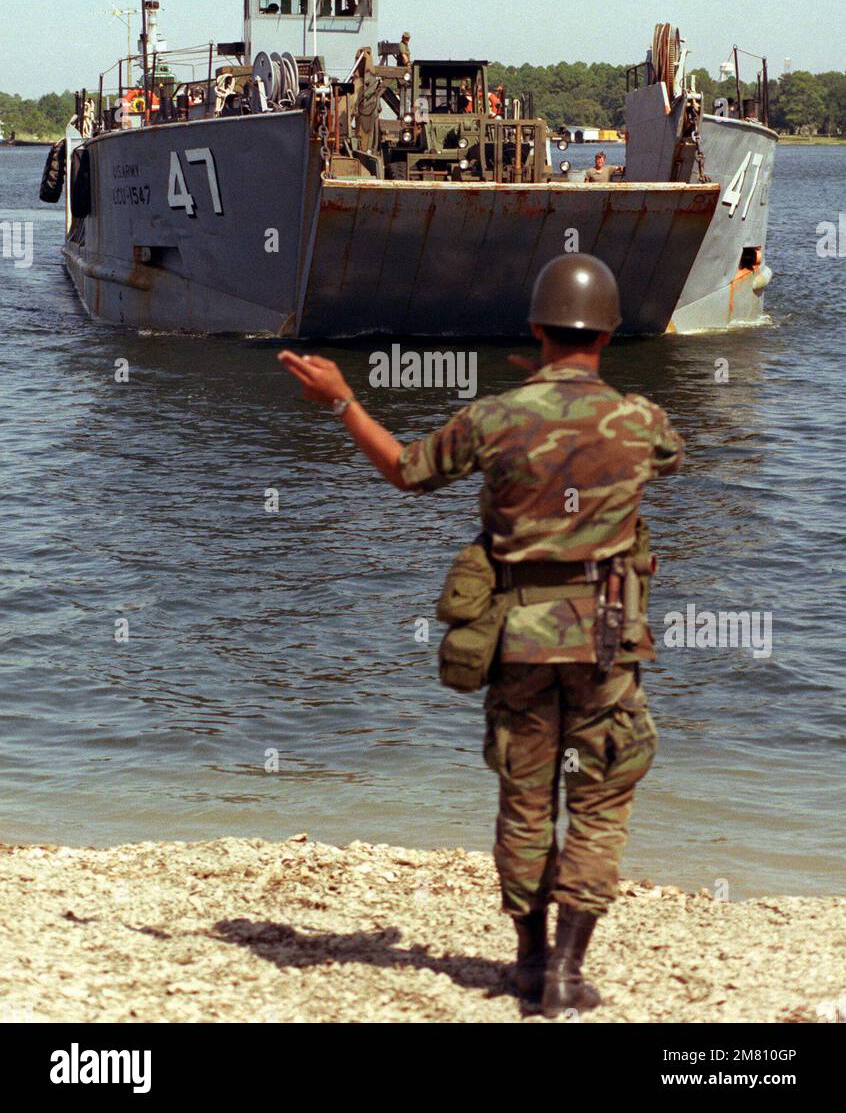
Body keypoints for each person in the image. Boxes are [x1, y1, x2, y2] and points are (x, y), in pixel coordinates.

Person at [277, 254, 683, 1019]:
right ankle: (568, 971)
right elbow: (668, 458)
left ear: (534, 325)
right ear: (609, 331)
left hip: (518, 641)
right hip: (607, 642)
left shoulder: (493, 419)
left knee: (526, 799)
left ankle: (527, 964)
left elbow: (406, 471)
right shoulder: (641, 421)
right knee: (600, 799)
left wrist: (342, 402)